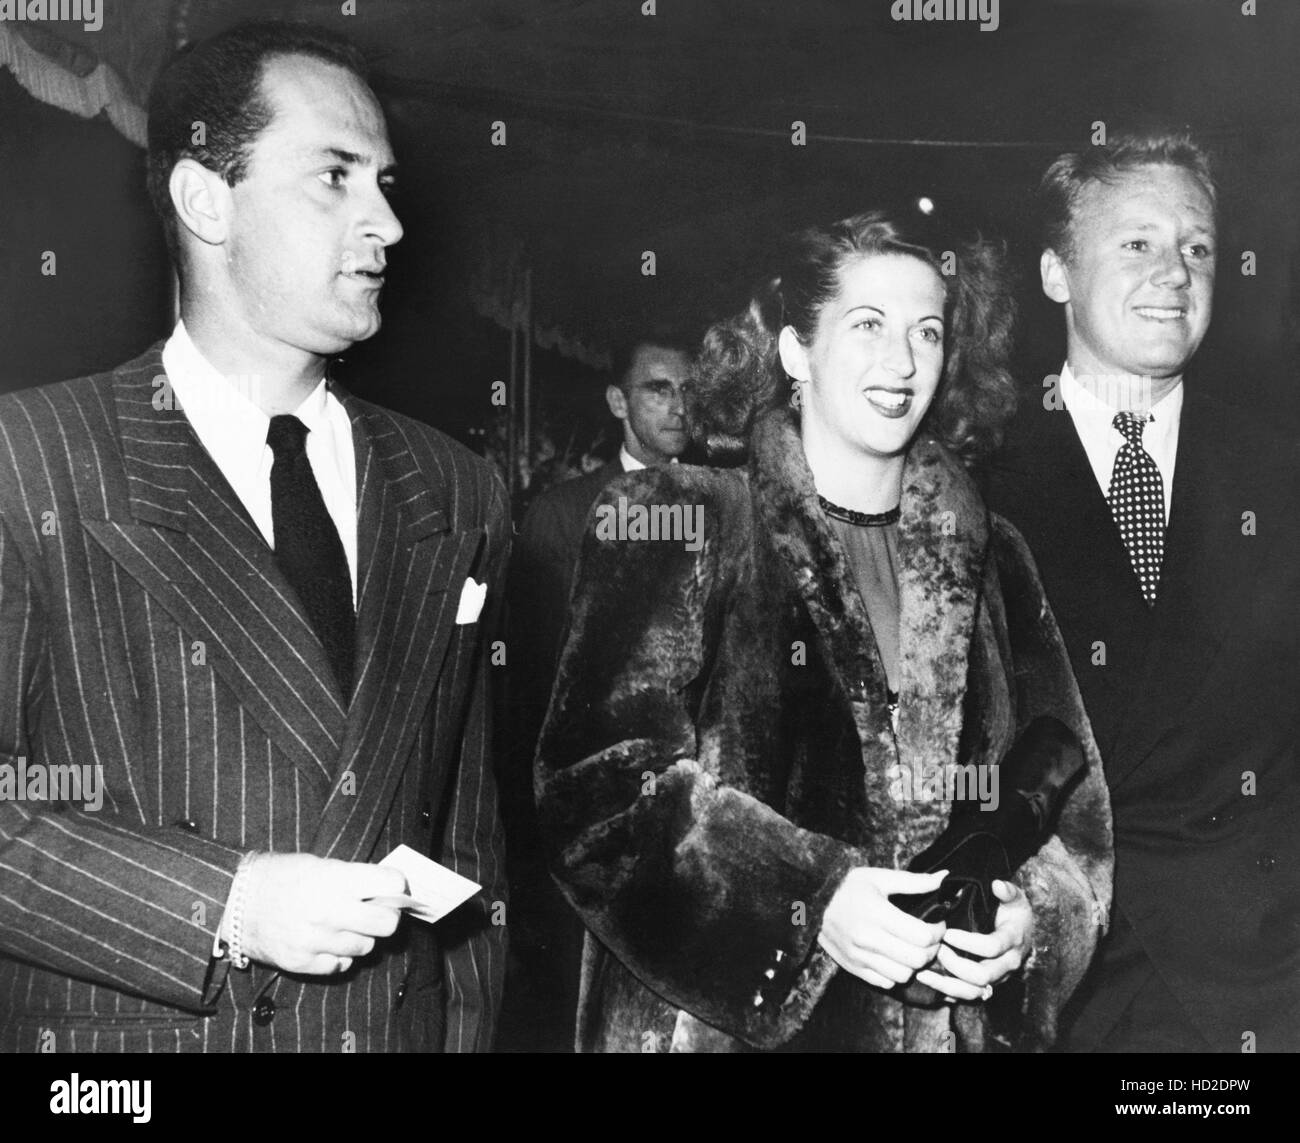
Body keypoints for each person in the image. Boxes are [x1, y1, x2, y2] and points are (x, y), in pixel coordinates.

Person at [0, 21, 508, 1052]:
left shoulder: (456, 488)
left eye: (386, 183)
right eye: (335, 176)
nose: (386, 225)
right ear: (204, 200)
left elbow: (466, 839)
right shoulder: (31, 457)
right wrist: (222, 902)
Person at [535, 210, 1113, 1052]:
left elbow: (1077, 803)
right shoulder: (679, 517)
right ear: (796, 350)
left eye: (928, 331)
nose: (903, 361)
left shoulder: (997, 557)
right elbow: (596, 792)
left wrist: (1031, 927)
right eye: (868, 324)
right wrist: (812, 904)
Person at [984, 132, 1300, 1052]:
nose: (1175, 272)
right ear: (1054, 273)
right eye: (1137, 243)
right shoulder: (970, 472)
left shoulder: (1279, 473)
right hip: (1055, 979)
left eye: (1197, 247)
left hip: (1260, 972)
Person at [498, 334, 690, 1050]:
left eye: (687, 391)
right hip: (581, 819)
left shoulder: (729, 509)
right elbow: (532, 692)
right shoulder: (560, 515)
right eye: (658, 388)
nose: (678, 406)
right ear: (618, 401)